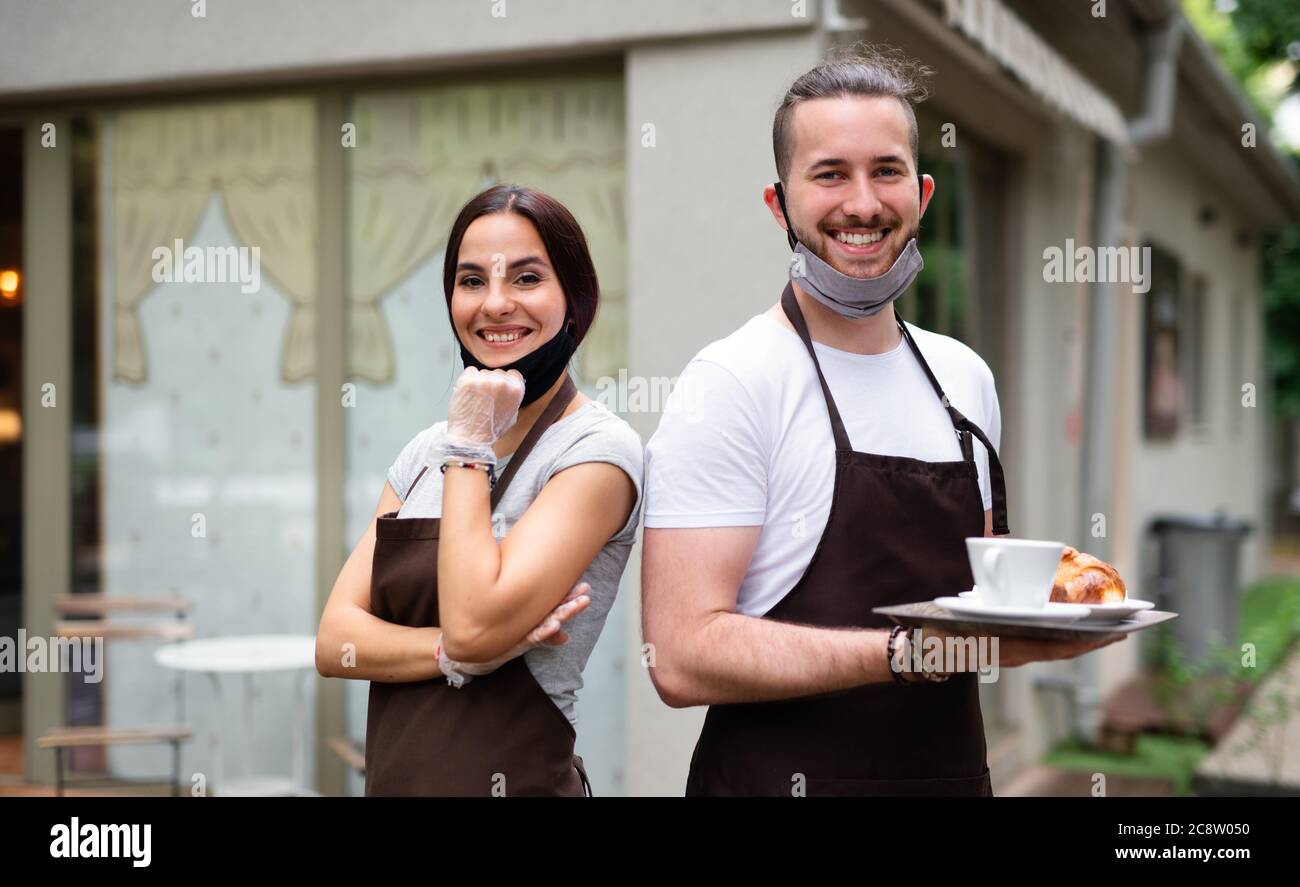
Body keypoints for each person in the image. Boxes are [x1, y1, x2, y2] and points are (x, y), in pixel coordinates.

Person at [640, 45, 1123, 797]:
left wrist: (1061, 617)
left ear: (922, 193)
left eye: (886, 171)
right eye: (830, 173)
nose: (862, 203)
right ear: (780, 203)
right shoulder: (732, 382)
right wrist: (907, 653)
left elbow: (981, 611)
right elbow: (679, 655)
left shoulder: (966, 379)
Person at [317, 184, 643, 796]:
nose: (495, 304)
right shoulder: (422, 454)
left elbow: (474, 623)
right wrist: (449, 655)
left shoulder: (597, 452)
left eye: (525, 278)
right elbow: (336, 640)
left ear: (574, 299)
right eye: (471, 281)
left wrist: (468, 447)